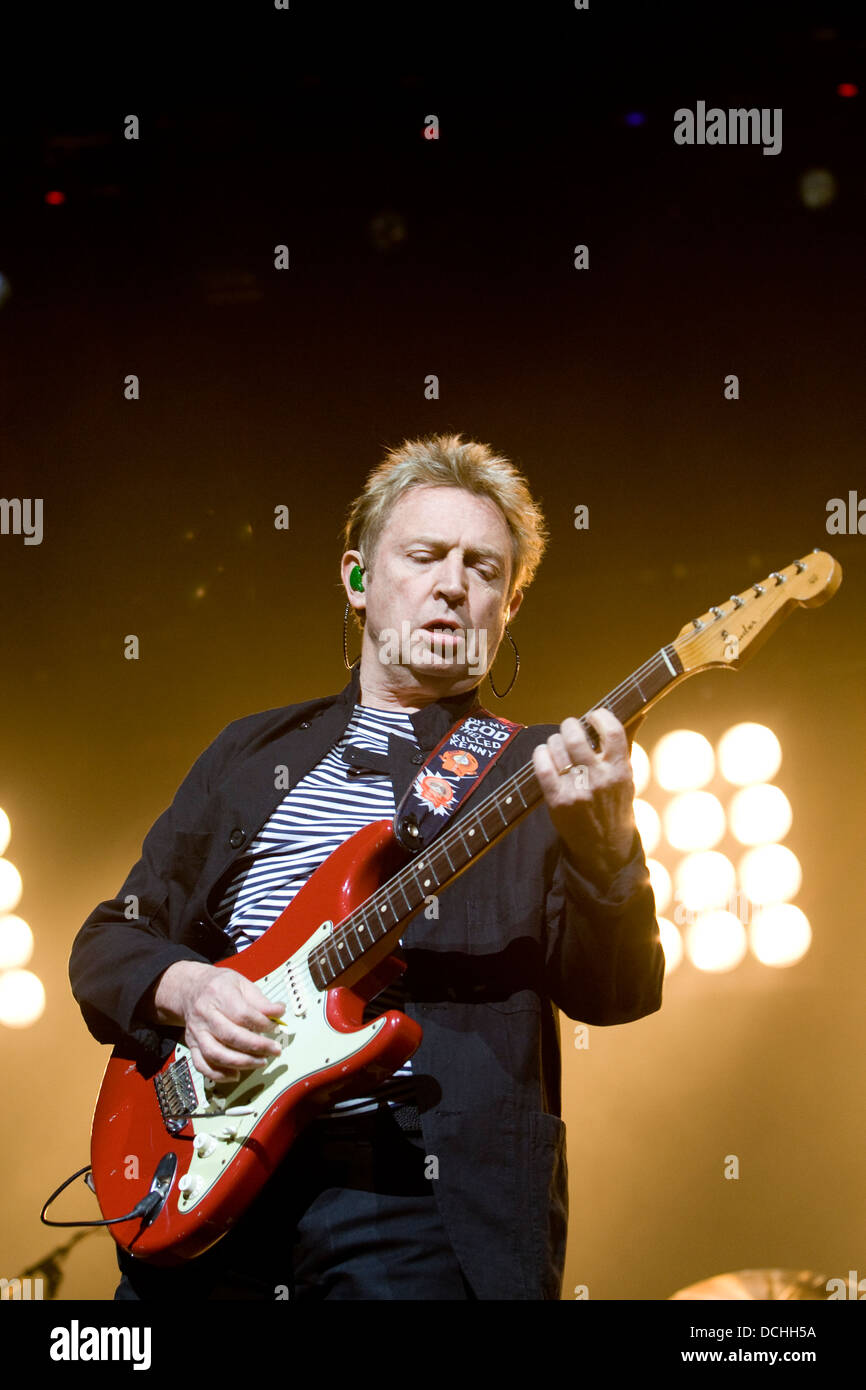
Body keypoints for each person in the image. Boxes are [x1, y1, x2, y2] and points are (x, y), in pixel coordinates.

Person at [69, 433, 664, 1301]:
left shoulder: (537, 773)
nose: (455, 585)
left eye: (486, 570)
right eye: (425, 556)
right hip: (210, 1172)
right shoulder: (252, 752)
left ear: (512, 605)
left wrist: (607, 846)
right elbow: (109, 940)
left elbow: (618, 993)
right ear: (357, 580)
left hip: (420, 1199)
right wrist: (189, 991)